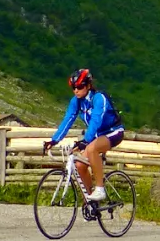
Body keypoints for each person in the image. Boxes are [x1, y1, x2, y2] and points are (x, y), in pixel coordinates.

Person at [47, 69, 126, 203]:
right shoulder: (76, 101)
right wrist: (54, 140)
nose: (76, 90)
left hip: (113, 132)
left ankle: (100, 189)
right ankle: (91, 201)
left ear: (88, 85)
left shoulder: (99, 98)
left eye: (80, 87)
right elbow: (68, 120)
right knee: (79, 165)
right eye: (73, 88)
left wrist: (86, 141)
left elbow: (96, 121)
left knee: (91, 149)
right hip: (97, 136)